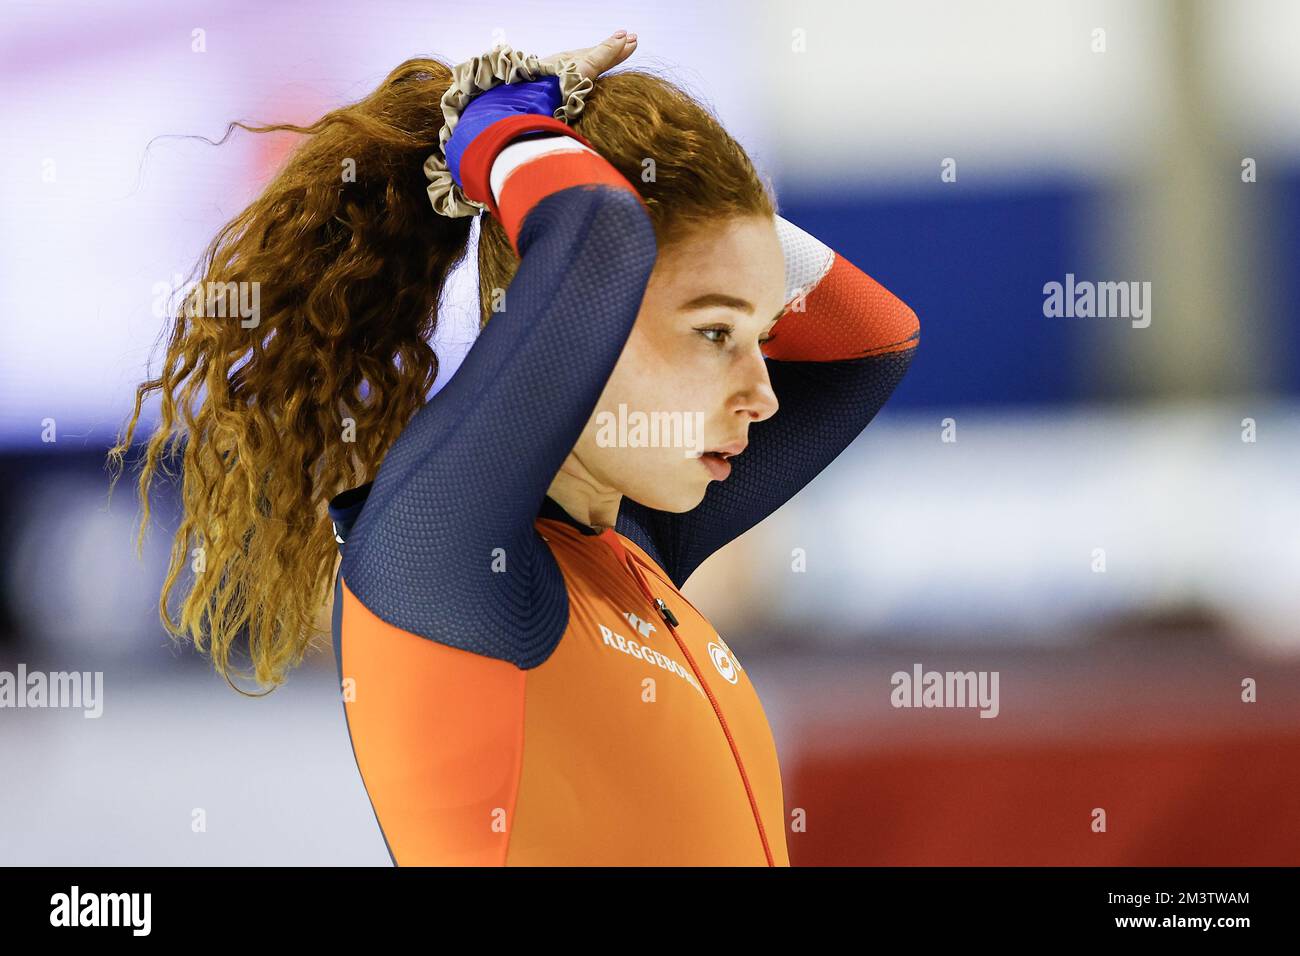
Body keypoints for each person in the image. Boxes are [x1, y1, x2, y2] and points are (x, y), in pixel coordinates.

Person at [109, 31, 919, 866]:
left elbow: (876, 341)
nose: (763, 390)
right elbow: (603, 233)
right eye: (714, 332)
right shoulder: (450, 560)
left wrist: (688, 195)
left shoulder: (632, 548)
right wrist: (493, 128)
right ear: (584, 317)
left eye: (761, 332)